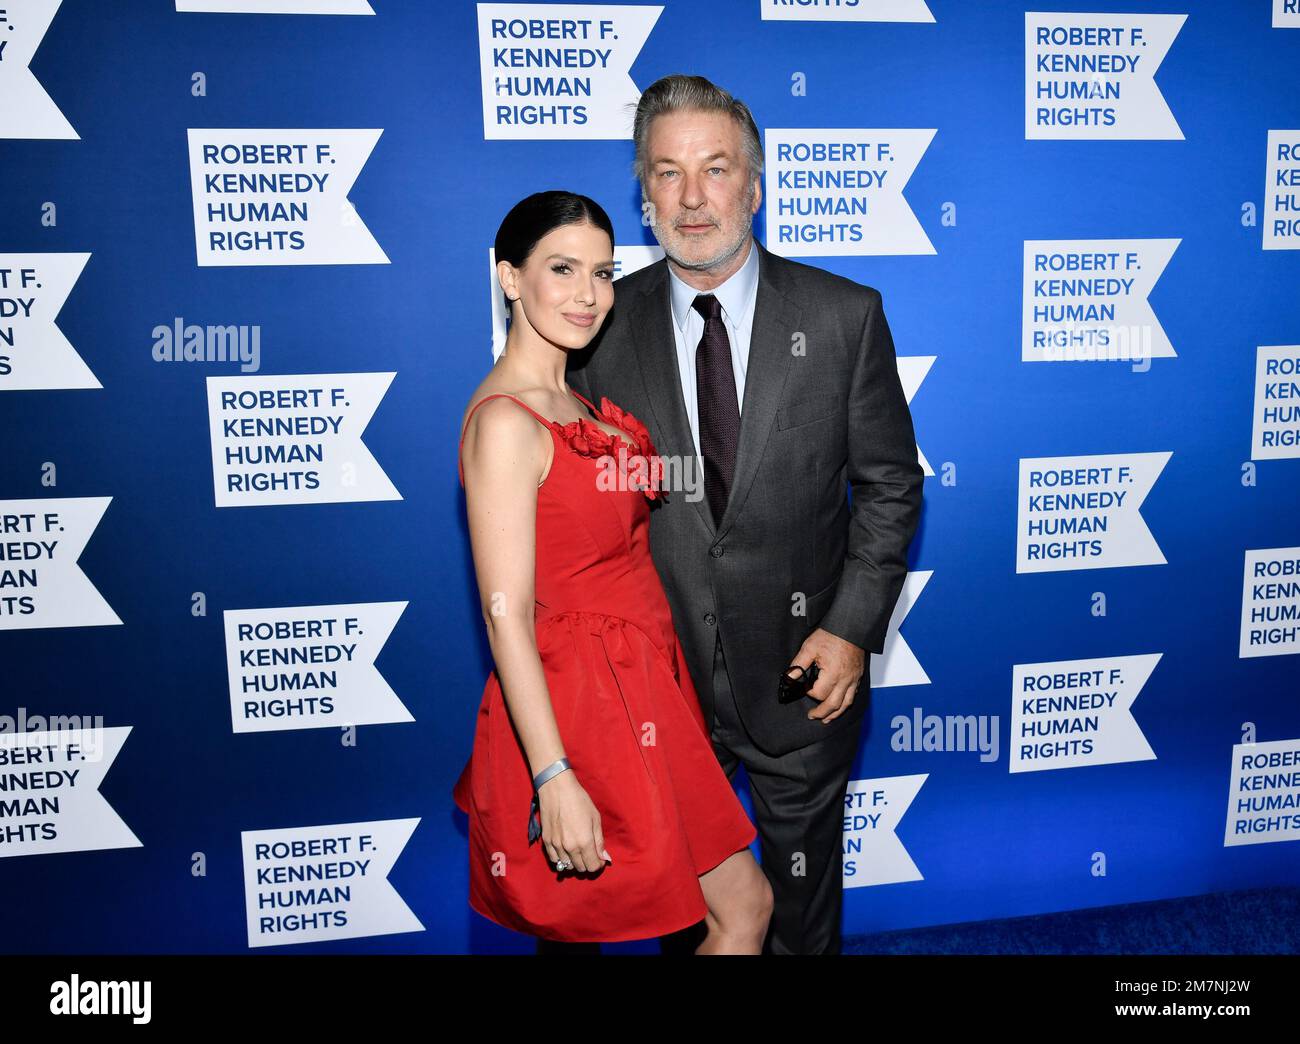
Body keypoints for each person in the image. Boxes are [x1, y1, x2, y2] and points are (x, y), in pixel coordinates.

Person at [566, 76, 924, 954]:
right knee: (688, 916)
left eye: (715, 168)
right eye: (667, 172)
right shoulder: (599, 330)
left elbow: (890, 486)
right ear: (642, 194)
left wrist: (847, 631)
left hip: (805, 677)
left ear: (754, 186)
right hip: (659, 685)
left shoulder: (843, 318)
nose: (692, 198)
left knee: (800, 917)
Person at [452, 190, 773, 953]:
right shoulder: (507, 421)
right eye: (561, 269)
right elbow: (506, 614)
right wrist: (553, 774)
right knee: (725, 909)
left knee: (729, 910)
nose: (588, 294)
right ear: (508, 278)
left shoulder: (577, 406)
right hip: (581, 705)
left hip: (646, 687)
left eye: (602, 272)